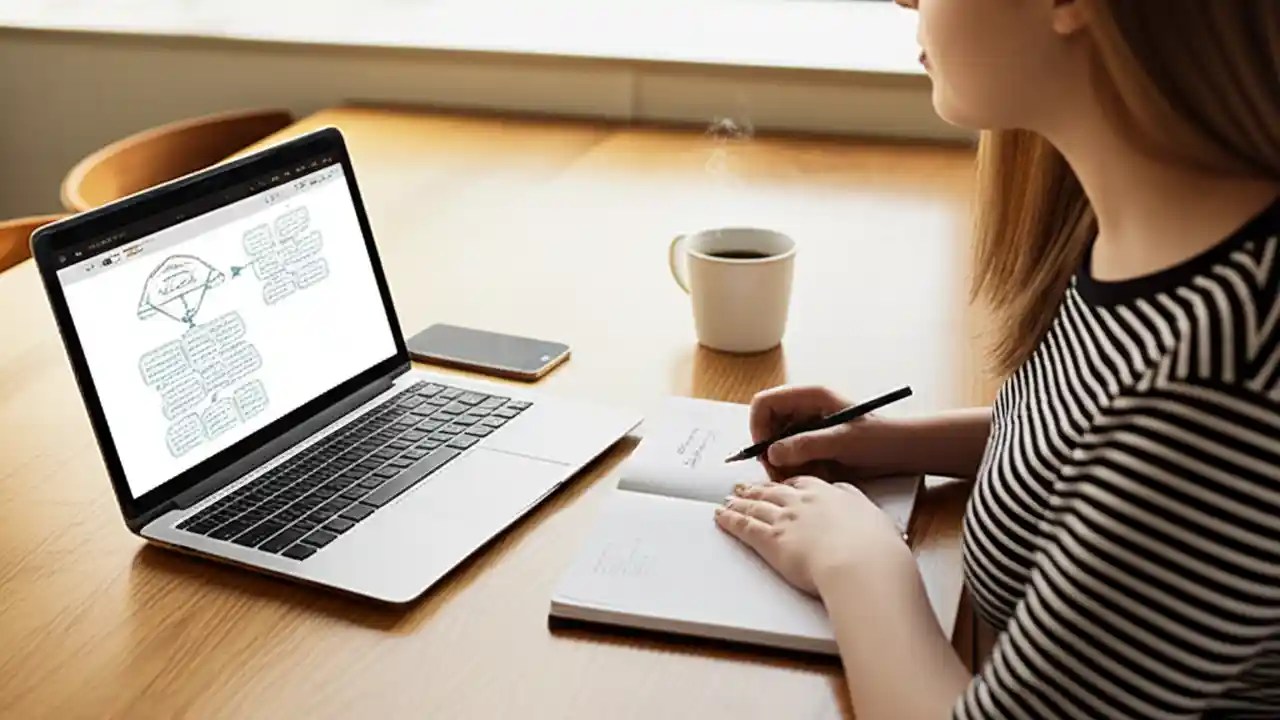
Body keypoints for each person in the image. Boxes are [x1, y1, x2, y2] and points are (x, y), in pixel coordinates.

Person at [713, 1, 1280, 718]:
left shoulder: (1225, 372)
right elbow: (1095, 442)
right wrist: (892, 442)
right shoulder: (1173, 240)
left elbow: (1175, 440)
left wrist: (856, 561)